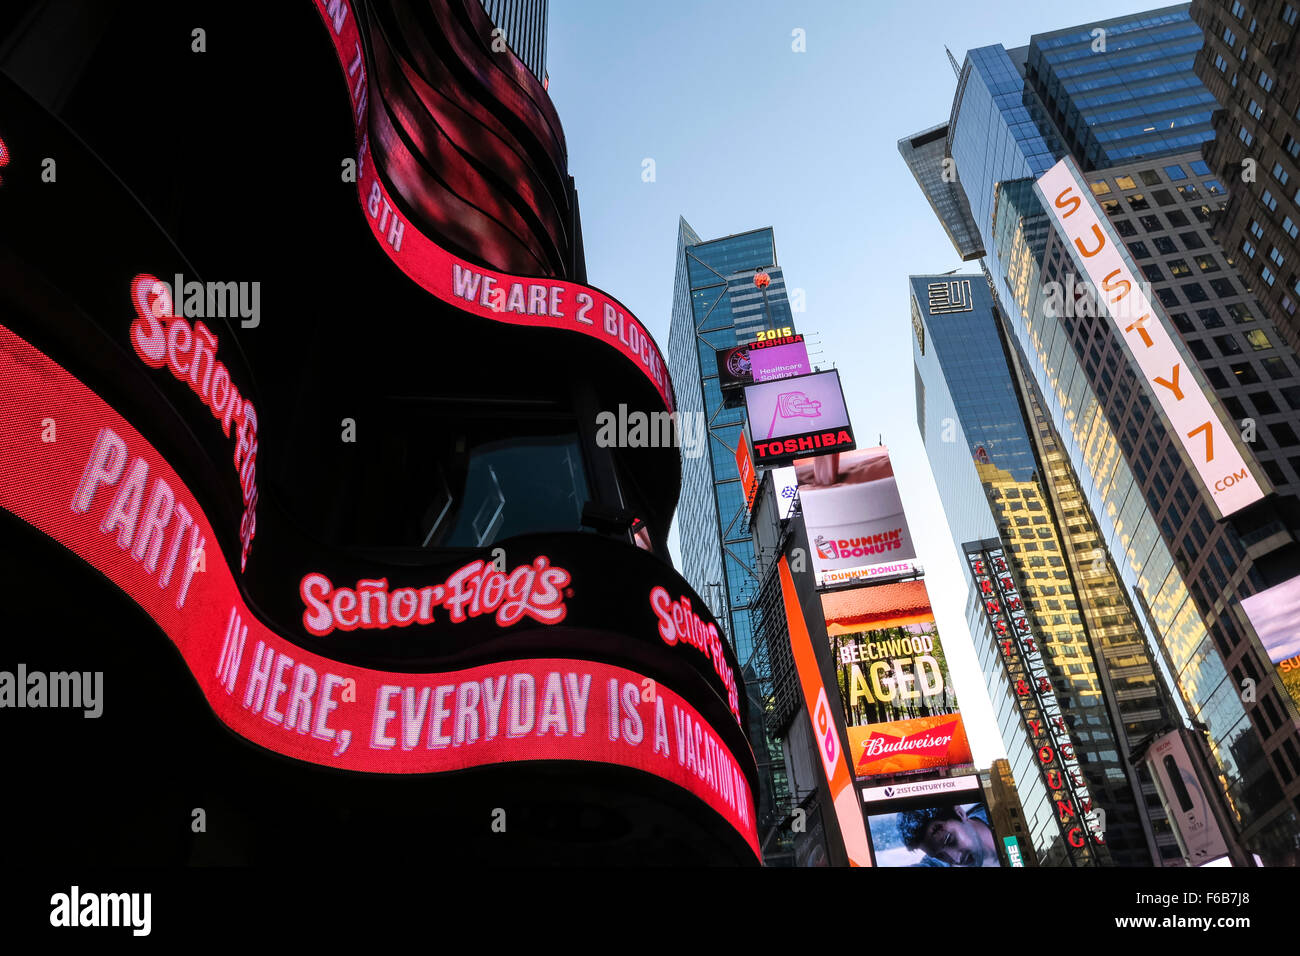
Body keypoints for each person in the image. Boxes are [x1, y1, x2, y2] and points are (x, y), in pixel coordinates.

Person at [898, 803, 1000, 867]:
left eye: (950, 840)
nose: (955, 859)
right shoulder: (938, 863)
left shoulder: (1004, 813)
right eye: (940, 856)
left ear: (960, 813)